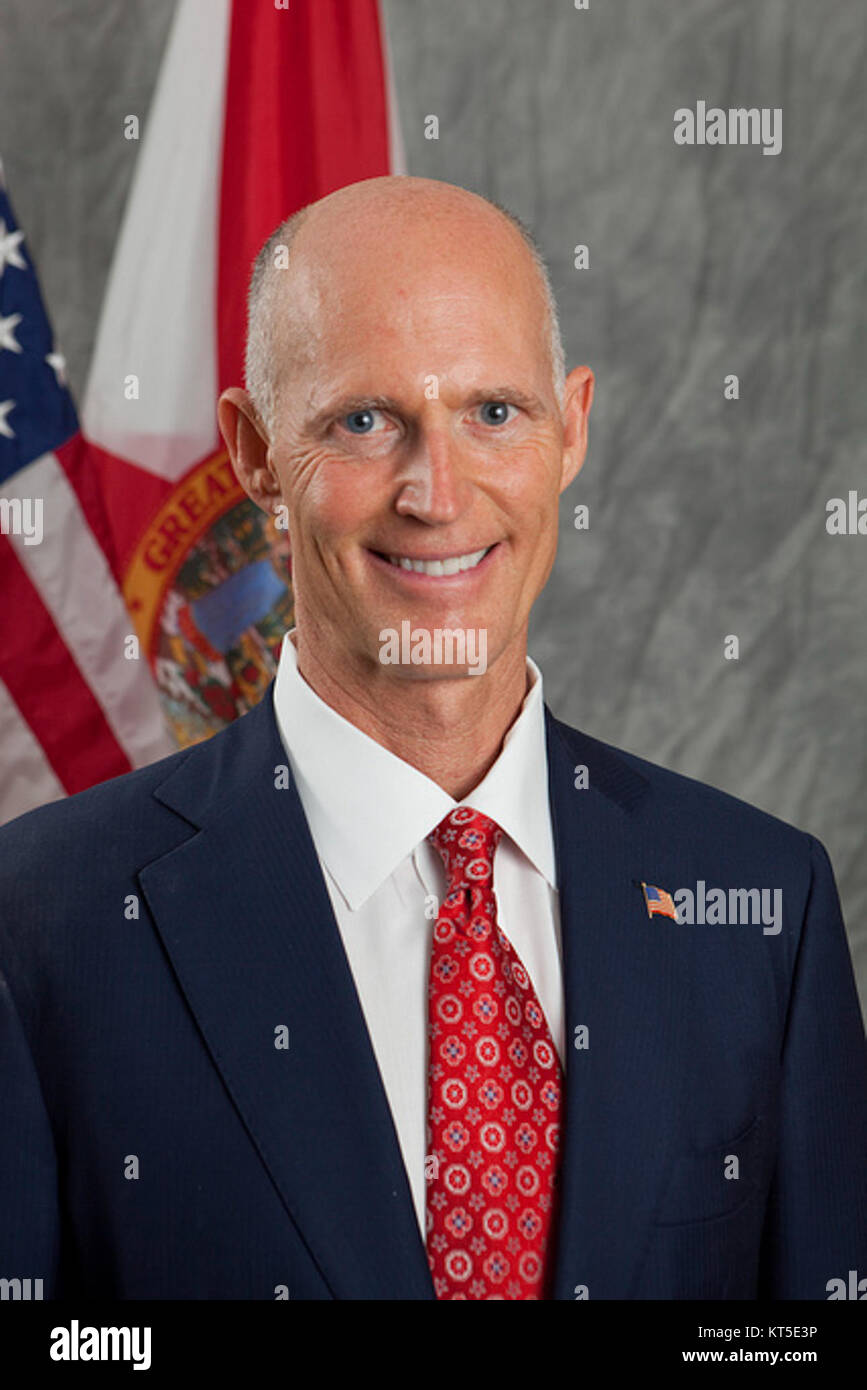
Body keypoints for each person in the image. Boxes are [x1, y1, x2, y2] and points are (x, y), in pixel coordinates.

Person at [1, 176, 865, 1300]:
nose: (437, 493)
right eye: (365, 421)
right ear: (255, 452)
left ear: (574, 428)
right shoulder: (41, 922)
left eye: (494, 412)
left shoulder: (760, 904)